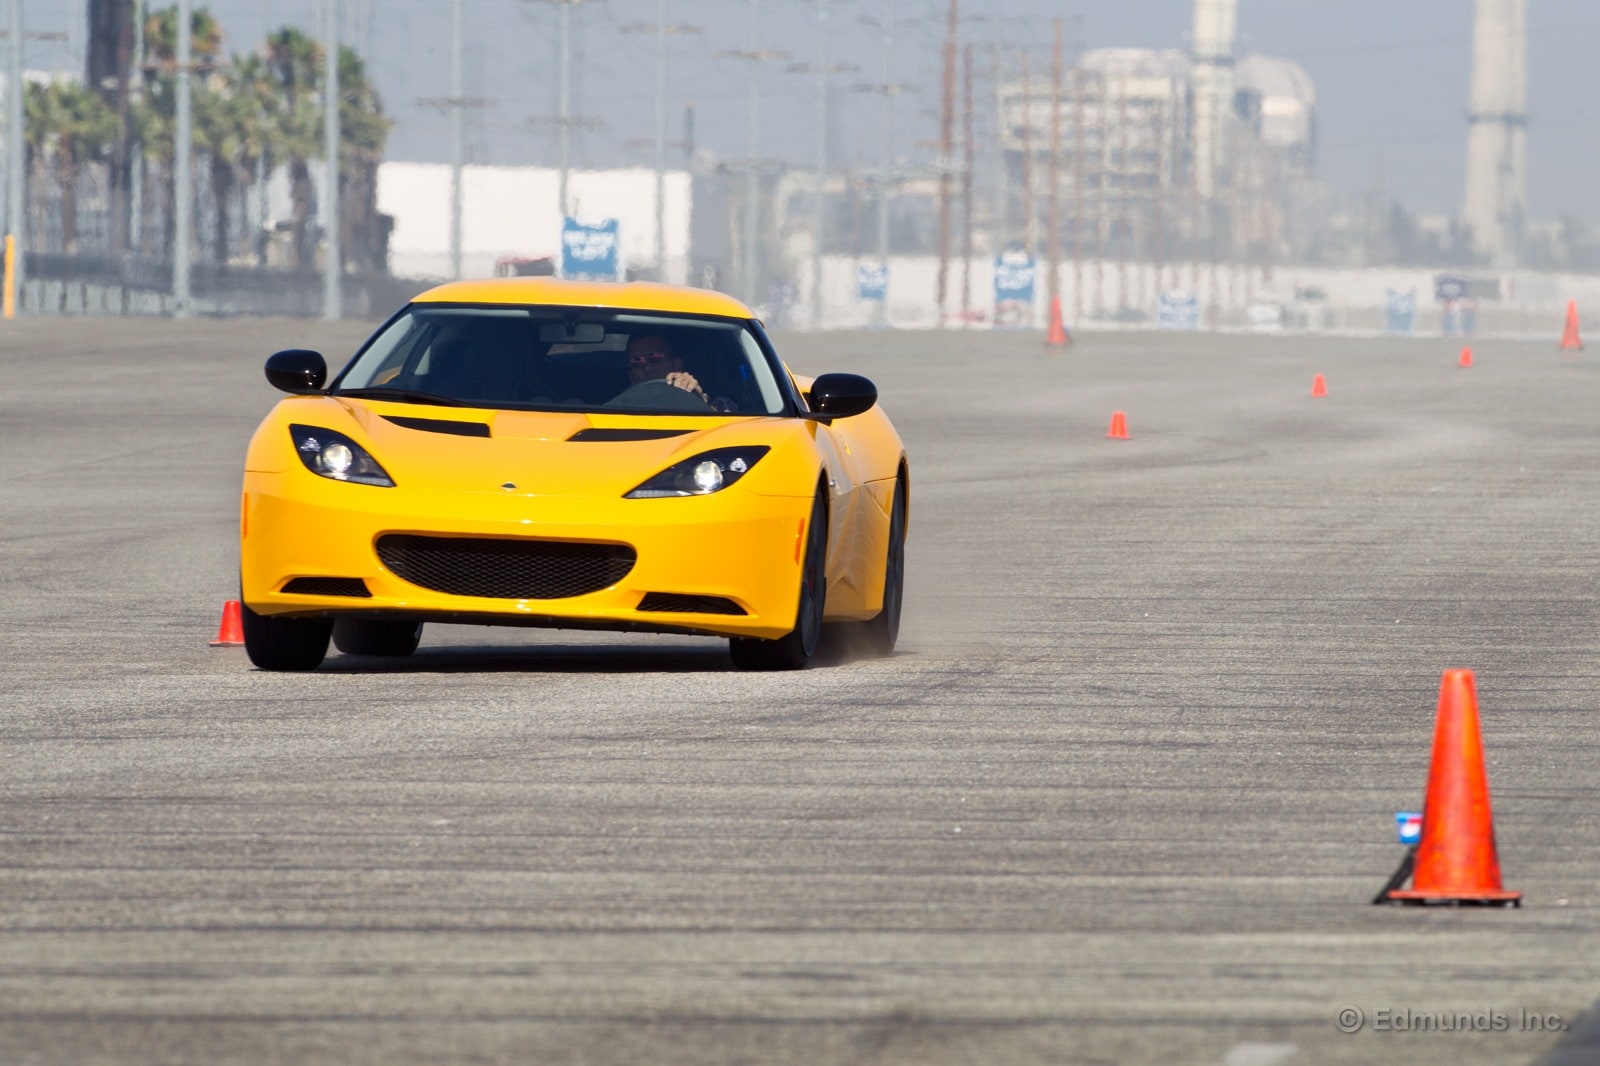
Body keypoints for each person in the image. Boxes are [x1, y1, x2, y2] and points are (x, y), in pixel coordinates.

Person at [624, 333, 705, 399]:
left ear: (678, 366)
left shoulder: (690, 398)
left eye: (655, 358)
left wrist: (698, 397)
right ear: (631, 376)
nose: (647, 368)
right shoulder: (620, 406)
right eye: (637, 361)